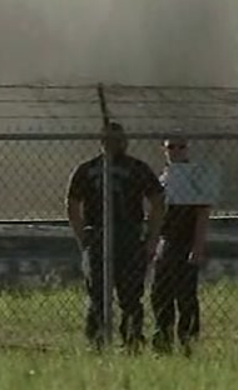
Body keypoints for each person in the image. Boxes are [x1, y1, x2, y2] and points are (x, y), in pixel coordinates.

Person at [66, 122, 166, 351]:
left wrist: (151, 237)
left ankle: (130, 341)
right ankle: (99, 341)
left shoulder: (136, 168)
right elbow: (72, 204)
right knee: (99, 296)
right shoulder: (87, 169)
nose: (115, 144)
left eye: (118, 139)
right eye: (110, 140)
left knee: (130, 295)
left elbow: (158, 201)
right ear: (101, 142)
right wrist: (83, 237)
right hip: (99, 234)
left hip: (128, 233)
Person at [152, 137, 211, 356]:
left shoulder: (194, 176)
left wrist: (198, 246)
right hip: (165, 241)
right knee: (160, 293)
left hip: (185, 240)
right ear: (163, 150)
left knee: (186, 295)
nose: (176, 151)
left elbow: (202, 213)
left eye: (181, 146)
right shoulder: (164, 177)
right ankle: (162, 340)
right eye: (171, 147)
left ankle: (188, 342)